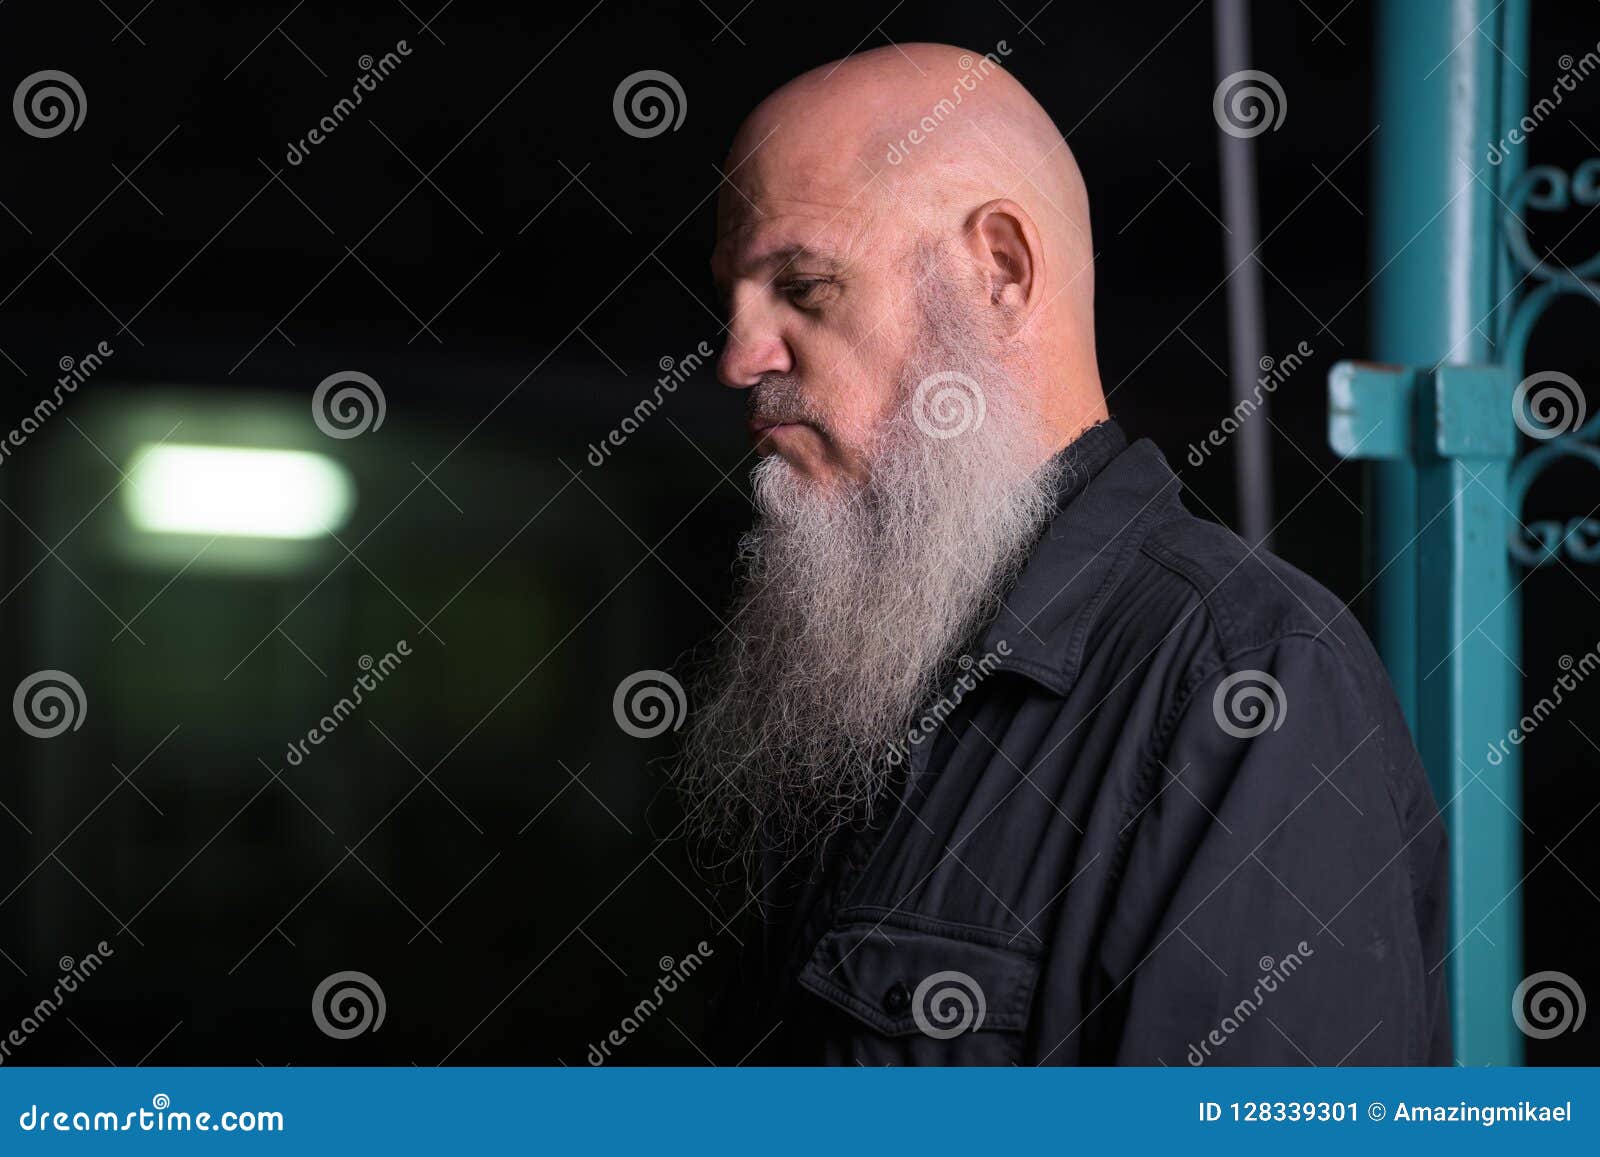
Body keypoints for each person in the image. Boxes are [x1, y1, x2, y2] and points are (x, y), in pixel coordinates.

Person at [674, 42, 1449, 1065]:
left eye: (805, 287)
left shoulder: (1247, 677)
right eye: (733, 299)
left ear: (999, 270)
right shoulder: (857, 675)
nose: (737, 357)